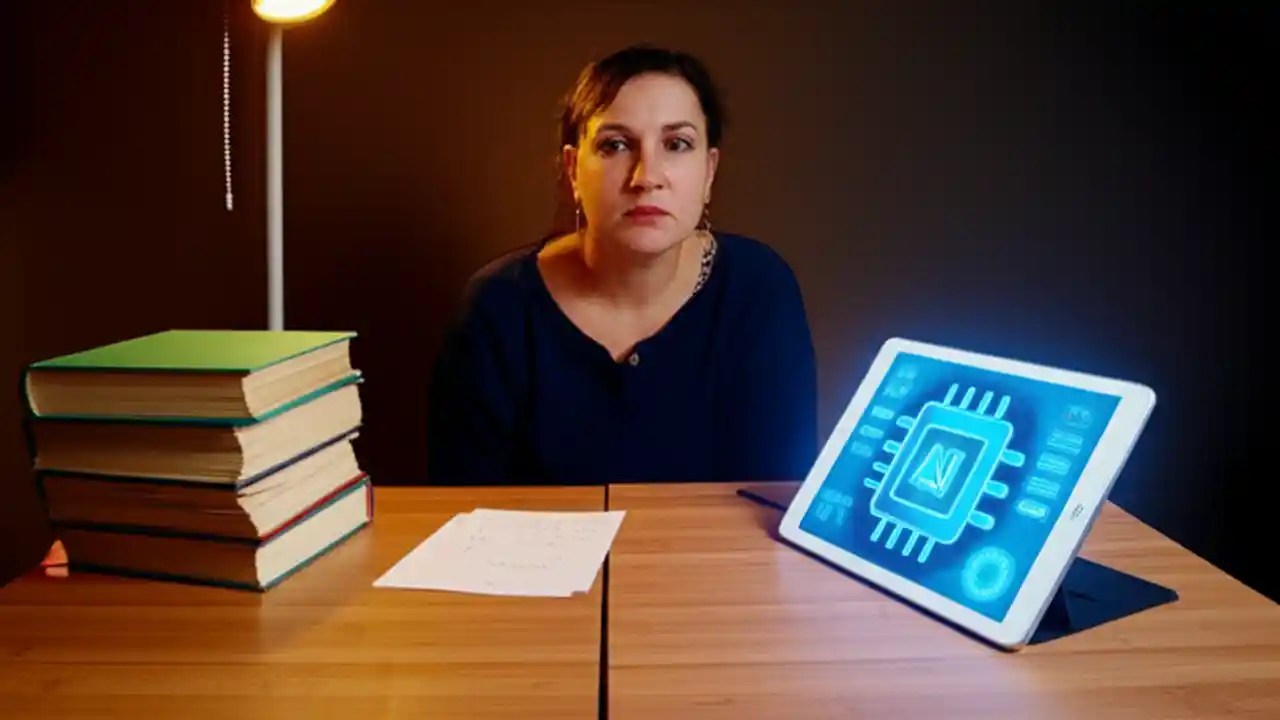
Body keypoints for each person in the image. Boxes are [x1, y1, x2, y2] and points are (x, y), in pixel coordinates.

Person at [426, 43, 817, 485]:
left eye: (677, 144)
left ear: (709, 172)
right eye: (615, 145)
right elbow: (460, 507)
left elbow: (777, 491)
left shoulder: (758, 289)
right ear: (573, 170)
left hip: (711, 554)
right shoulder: (497, 307)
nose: (646, 176)